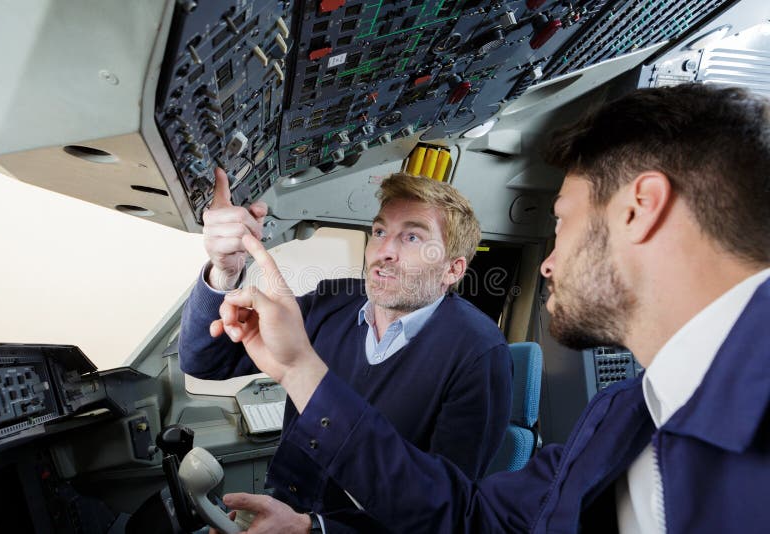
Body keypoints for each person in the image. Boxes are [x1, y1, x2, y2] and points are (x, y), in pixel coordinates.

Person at [213, 83, 770, 533]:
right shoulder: (623, 413)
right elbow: (468, 516)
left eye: (561, 221)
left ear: (640, 208)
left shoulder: (479, 350)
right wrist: (298, 370)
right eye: (380, 233)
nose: (547, 263)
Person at [178, 172, 513, 532]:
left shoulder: (479, 352)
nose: (384, 251)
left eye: (412, 237)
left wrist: (313, 529)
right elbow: (203, 360)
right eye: (380, 232)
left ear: (452, 269)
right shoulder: (332, 300)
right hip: (279, 506)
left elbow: (444, 516)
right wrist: (225, 274)